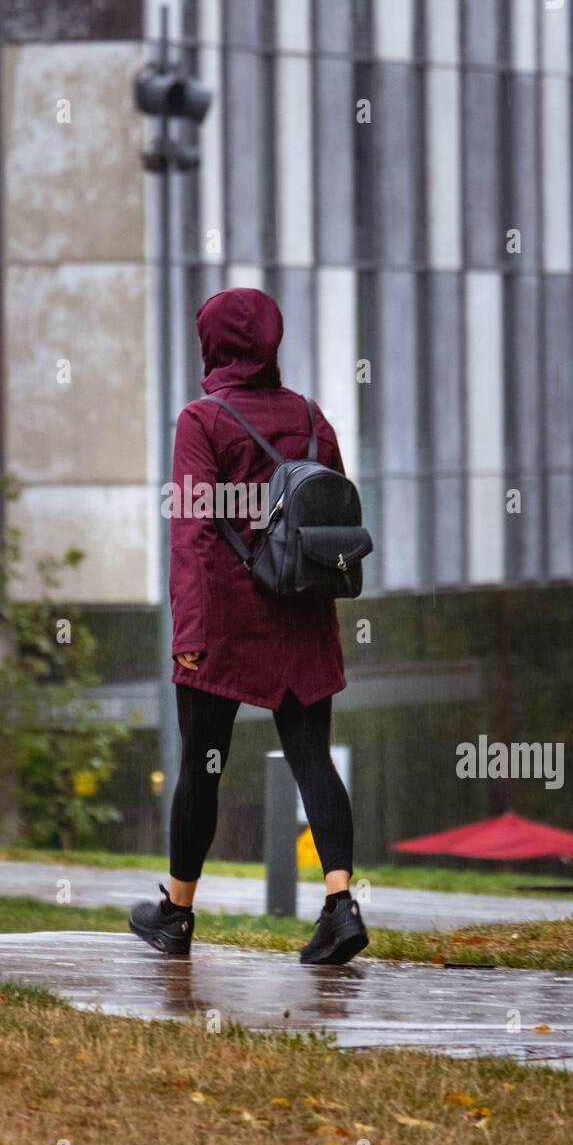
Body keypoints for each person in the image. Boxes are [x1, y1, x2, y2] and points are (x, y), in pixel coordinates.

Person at [129, 288, 368, 965]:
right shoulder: (313, 417)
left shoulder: (201, 420)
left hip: (229, 622)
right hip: (302, 615)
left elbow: (195, 533)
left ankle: (176, 914)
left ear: (213, 345)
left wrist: (191, 634)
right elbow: (333, 520)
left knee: (202, 768)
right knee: (312, 757)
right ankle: (340, 904)